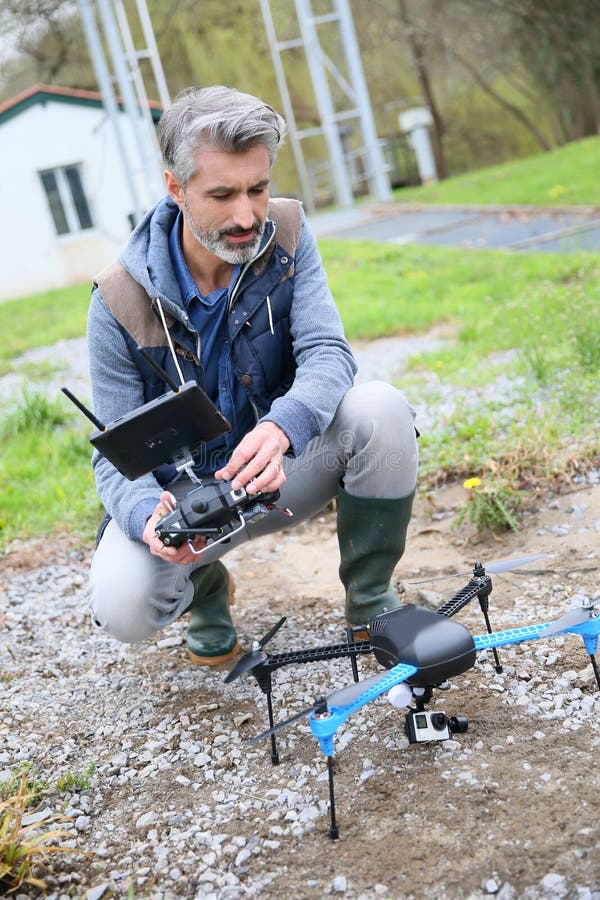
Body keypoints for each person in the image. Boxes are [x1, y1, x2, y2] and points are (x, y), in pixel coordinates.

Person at [87, 85, 418, 666]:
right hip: (186, 511)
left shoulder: (287, 233)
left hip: (283, 473)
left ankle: (370, 600)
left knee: (381, 408)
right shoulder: (116, 299)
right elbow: (114, 455)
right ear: (176, 188)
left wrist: (283, 426)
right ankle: (206, 588)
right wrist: (147, 519)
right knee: (123, 605)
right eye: (222, 194)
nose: (247, 216)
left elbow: (328, 352)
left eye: (258, 188)